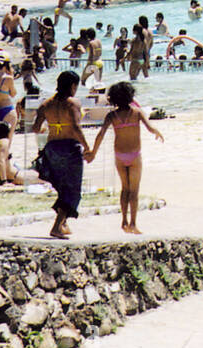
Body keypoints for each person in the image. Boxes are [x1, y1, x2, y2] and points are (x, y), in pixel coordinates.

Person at [89, 81, 164, 234]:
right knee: (134, 191)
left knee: (125, 188)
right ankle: (133, 224)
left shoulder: (112, 115)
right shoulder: (136, 113)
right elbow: (150, 128)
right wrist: (157, 133)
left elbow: (100, 135)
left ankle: (123, 220)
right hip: (135, 155)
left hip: (119, 155)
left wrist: (93, 152)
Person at [32, 71, 92, 240]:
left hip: (52, 148)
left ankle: (63, 223)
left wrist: (50, 126)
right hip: (69, 148)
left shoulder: (46, 104)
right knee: (72, 189)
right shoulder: (72, 103)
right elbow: (75, 127)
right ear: (73, 86)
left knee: (62, 187)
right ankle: (58, 225)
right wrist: (87, 147)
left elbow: (36, 128)